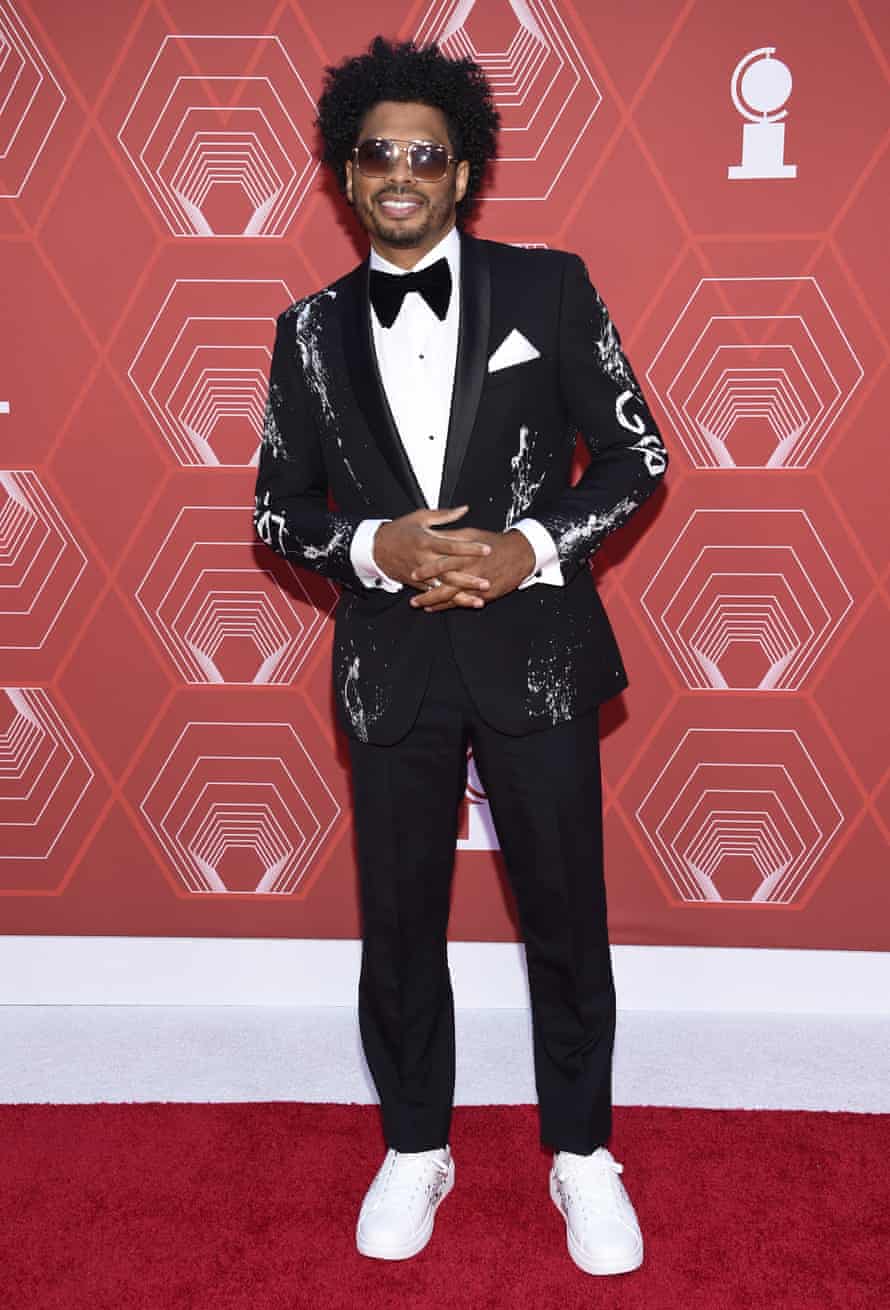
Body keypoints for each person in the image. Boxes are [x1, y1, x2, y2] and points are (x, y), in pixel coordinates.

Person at [253, 35, 668, 1277]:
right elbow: (277, 509)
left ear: (464, 171)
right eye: (375, 151)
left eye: (425, 154)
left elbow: (637, 456)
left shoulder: (548, 288)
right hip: (391, 664)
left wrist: (524, 548)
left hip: (534, 651)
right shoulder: (307, 329)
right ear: (344, 173)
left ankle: (581, 1151)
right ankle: (413, 1142)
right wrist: (372, 546)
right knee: (397, 924)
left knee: (565, 916)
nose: (400, 172)